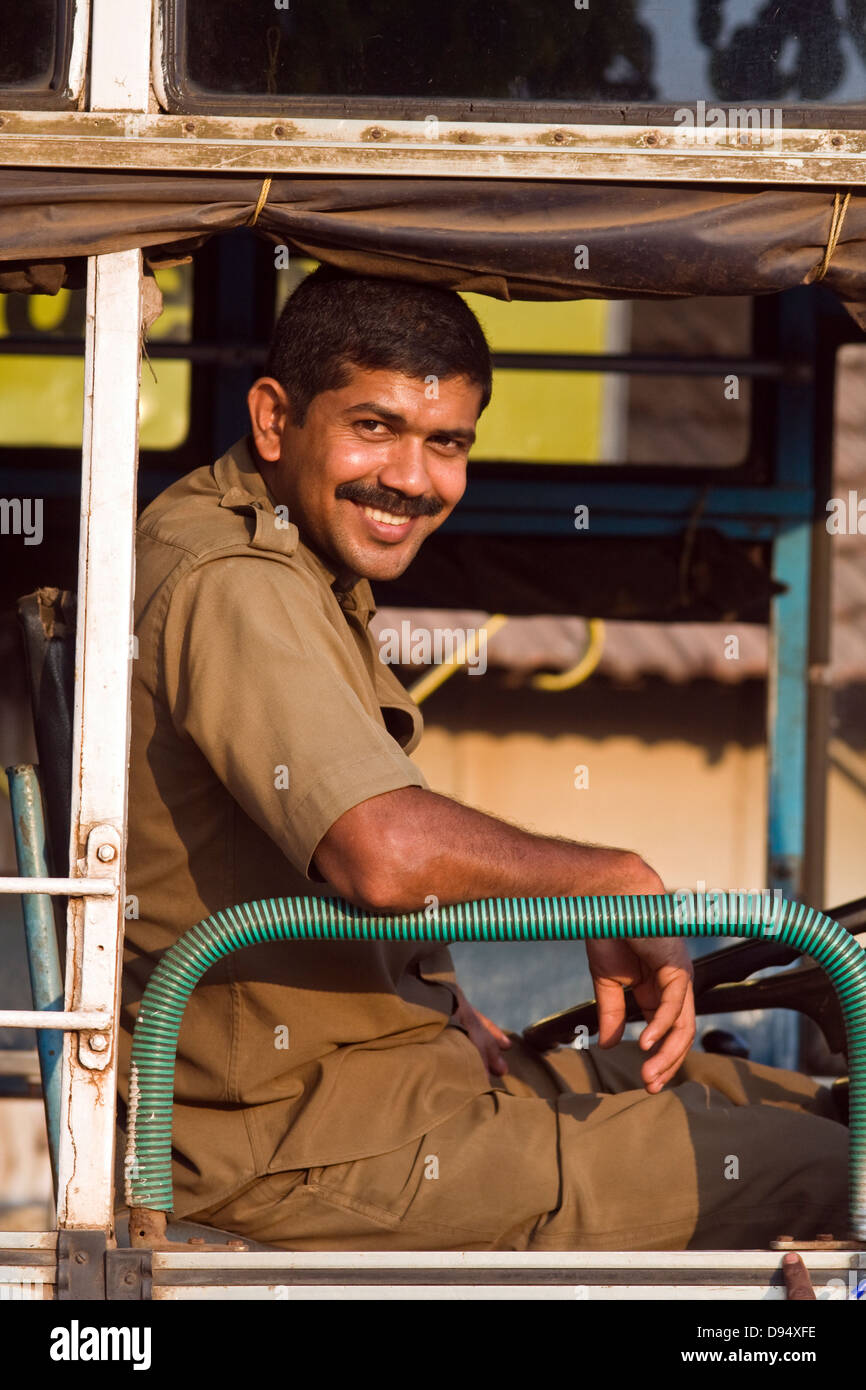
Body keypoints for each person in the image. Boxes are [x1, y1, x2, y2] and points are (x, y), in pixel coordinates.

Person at [118, 266, 848, 1252]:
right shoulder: (234, 580)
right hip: (298, 1145)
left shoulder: (288, 556)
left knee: (798, 1103)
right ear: (273, 418)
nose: (412, 478)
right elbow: (380, 852)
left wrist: (429, 991)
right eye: (373, 427)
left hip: (384, 1086)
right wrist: (610, 882)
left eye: (446, 442)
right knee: (833, 1174)